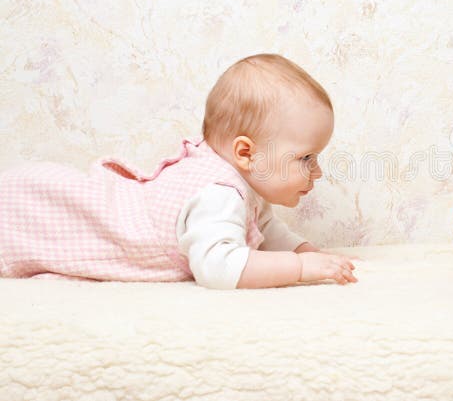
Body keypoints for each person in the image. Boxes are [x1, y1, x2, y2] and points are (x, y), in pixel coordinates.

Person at [0, 54, 357, 289]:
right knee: (35, 226)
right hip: (62, 208)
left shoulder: (244, 188)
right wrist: (300, 269)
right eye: (306, 158)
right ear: (246, 153)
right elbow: (218, 267)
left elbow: (264, 229)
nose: (316, 172)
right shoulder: (218, 194)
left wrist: (309, 252)